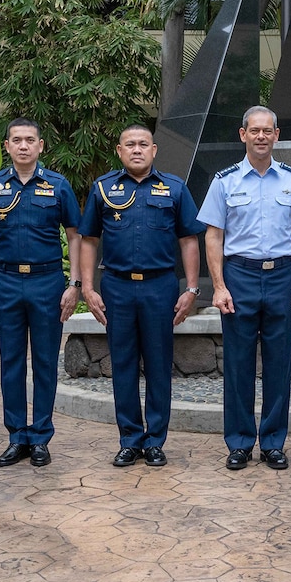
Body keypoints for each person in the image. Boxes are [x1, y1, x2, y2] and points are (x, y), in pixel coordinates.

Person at [77, 124, 203, 468]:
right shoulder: (103, 188)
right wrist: (87, 287)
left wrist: (191, 288)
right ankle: (130, 440)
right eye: (130, 144)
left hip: (159, 287)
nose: (137, 150)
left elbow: (189, 240)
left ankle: (155, 441)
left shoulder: (174, 188)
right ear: (119, 151)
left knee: (159, 365)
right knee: (123, 364)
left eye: (143, 144)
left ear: (154, 150)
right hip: (116, 287)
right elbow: (88, 240)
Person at [198, 106, 291, 471]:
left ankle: (273, 443)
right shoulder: (224, 181)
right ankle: (239, 443)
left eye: (268, 130)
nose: (261, 136)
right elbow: (213, 236)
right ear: (243, 134)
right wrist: (219, 286)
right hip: (239, 276)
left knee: (279, 364)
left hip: (281, 277)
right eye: (255, 130)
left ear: (277, 135)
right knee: (238, 365)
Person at [0, 119, 80, 469]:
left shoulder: (58, 185)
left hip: (47, 282)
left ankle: (41, 436)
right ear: (6, 146)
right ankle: (17, 435)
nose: (23, 146)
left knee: (46, 361)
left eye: (29, 140)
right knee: (11, 362)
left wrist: (74, 283)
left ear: (40, 145)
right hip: (6, 281)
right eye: (16, 140)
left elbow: (75, 235)